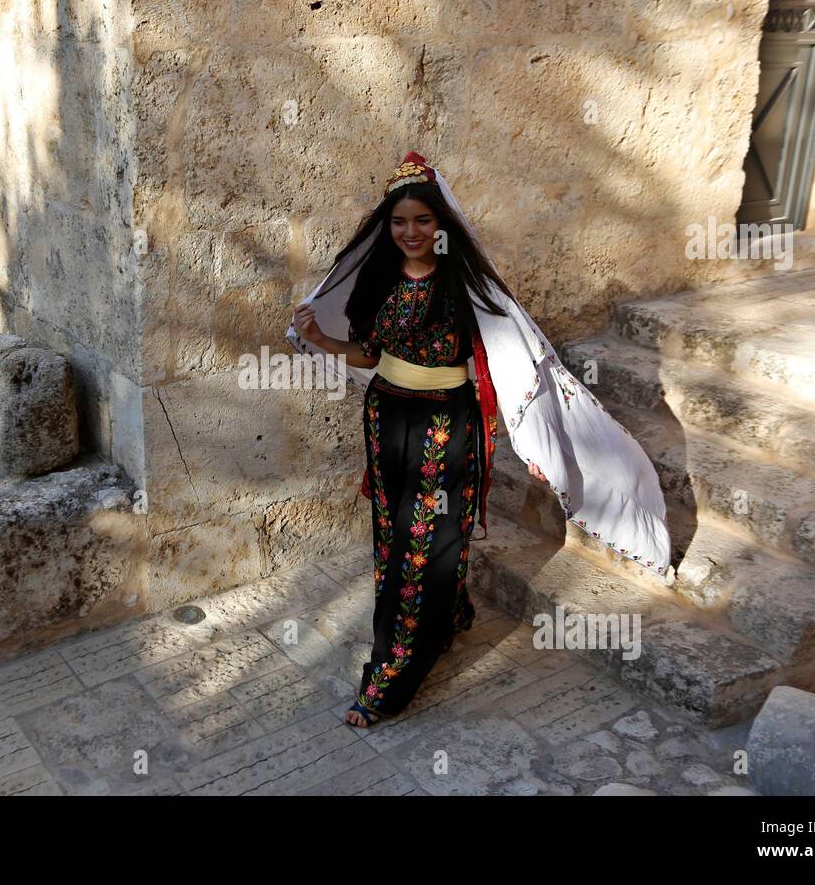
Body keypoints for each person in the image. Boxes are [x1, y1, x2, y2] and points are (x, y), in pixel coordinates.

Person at [287, 152, 671, 728]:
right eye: (399, 223)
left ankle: (392, 676)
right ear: (386, 227)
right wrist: (321, 338)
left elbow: (517, 359)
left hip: (447, 423)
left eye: (422, 221)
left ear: (441, 225)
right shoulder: (377, 278)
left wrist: (536, 438)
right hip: (386, 418)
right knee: (395, 540)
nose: (411, 232)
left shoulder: (466, 285)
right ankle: (445, 615)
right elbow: (368, 355)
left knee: (423, 547)